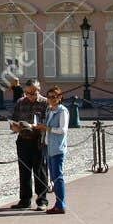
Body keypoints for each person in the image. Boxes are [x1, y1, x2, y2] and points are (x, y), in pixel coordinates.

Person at [9, 79, 50, 211]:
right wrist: (15, 127)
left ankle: (42, 200)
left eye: (33, 92)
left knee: (40, 171)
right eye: (28, 93)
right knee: (24, 170)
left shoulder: (46, 103)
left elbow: (49, 124)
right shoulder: (20, 102)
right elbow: (13, 120)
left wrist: (35, 126)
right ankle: (25, 200)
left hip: (39, 140)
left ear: (39, 89)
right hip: (23, 140)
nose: (30, 96)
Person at [43, 85, 69, 214]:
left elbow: (63, 130)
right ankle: (58, 204)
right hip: (49, 148)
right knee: (54, 177)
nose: (51, 99)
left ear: (60, 97)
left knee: (58, 177)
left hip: (58, 148)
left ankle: (61, 205)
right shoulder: (50, 110)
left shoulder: (62, 111)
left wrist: (48, 129)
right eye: (49, 97)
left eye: (54, 97)